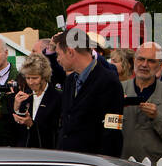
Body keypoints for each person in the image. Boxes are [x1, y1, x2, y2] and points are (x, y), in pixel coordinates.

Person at [53, 28, 124, 157]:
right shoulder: (69, 81)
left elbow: (112, 131)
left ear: (70, 52)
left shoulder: (109, 81)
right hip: (66, 164)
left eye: (58, 54)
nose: (57, 59)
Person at [120, 42, 162, 162]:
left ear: (160, 65)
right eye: (141, 59)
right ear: (134, 60)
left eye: (151, 61)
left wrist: (157, 117)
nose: (144, 65)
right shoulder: (118, 89)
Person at [11, 54, 61, 148]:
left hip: (48, 153)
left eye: (34, 78)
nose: (30, 82)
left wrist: (31, 125)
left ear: (44, 77)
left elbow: (55, 131)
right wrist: (16, 109)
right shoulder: (24, 96)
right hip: (25, 154)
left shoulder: (57, 97)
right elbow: (16, 133)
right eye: (27, 78)